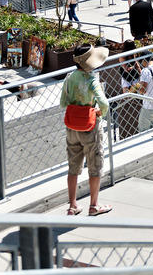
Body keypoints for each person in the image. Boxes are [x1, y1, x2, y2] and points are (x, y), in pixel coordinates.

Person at [60, 45, 112, 216]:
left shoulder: (70, 78)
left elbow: (63, 103)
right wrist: (99, 113)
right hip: (90, 127)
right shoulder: (91, 79)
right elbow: (104, 104)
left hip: (72, 126)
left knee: (73, 166)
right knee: (95, 165)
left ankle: (73, 205)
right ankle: (94, 205)